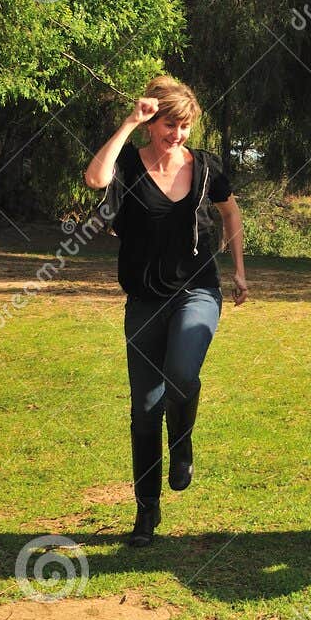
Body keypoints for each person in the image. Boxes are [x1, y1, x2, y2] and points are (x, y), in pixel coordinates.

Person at [83, 76, 248, 547]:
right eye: (169, 125)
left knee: (181, 373)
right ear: (152, 122)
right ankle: (146, 511)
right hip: (144, 298)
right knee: (143, 410)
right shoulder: (129, 166)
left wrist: (238, 270)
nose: (177, 134)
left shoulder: (206, 168)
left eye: (185, 126)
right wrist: (128, 122)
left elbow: (231, 213)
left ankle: (183, 440)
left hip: (198, 289)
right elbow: (95, 179)